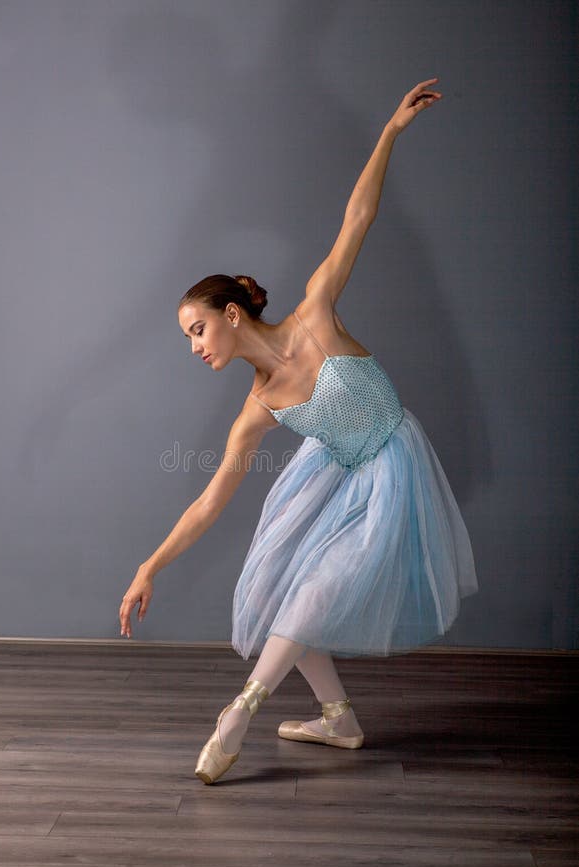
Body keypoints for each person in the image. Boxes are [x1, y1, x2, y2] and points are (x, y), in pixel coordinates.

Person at [119, 78, 478, 785]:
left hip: (390, 465)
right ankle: (337, 719)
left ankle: (239, 713)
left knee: (310, 595)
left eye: (197, 330)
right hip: (336, 472)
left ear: (231, 314)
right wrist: (148, 567)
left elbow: (358, 217)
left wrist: (389, 132)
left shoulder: (316, 312)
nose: (194, 347)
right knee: (288, 589)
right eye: (186, 339)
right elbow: (209, 501)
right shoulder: (257, 408)